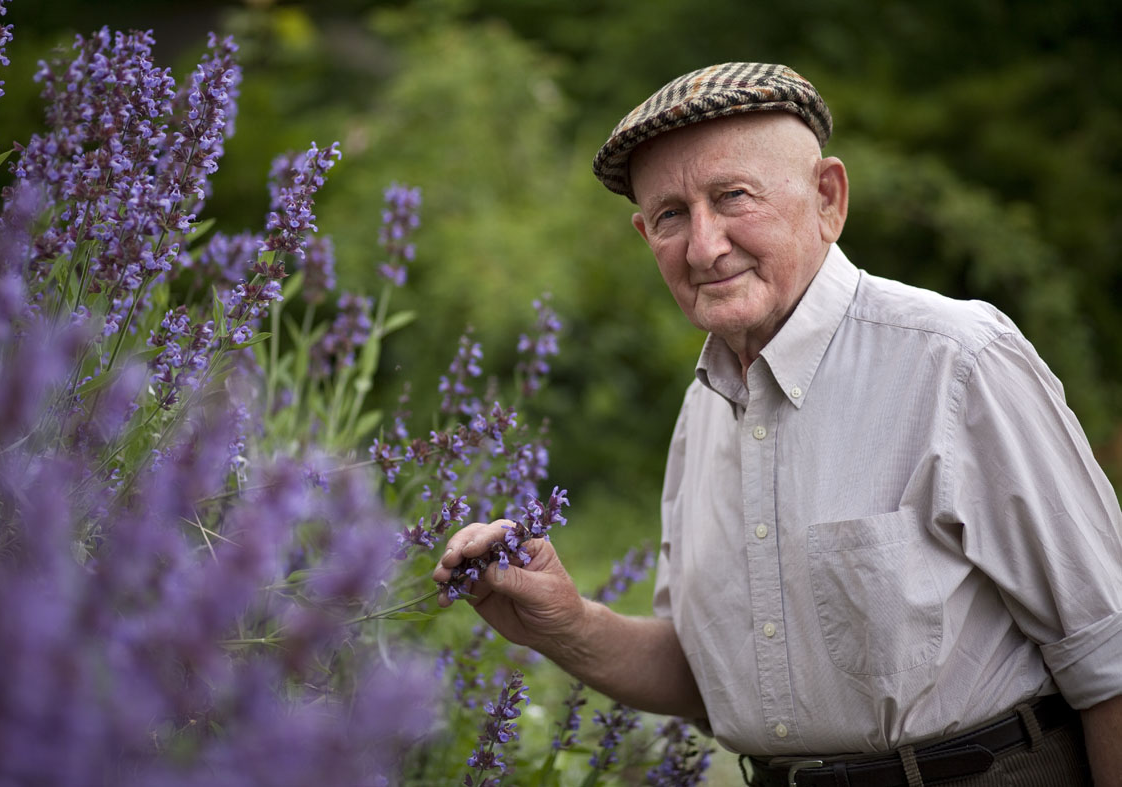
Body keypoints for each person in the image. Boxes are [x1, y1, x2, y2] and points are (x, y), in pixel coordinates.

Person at [433, 62, 1122, 786]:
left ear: (827, 198)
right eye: (670, 215)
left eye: (732, 196)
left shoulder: (955, 360)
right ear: (644, 234)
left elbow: (1109, 653)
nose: (702, 245)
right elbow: (710, 674)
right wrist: (565, 623)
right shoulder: (703, 407)